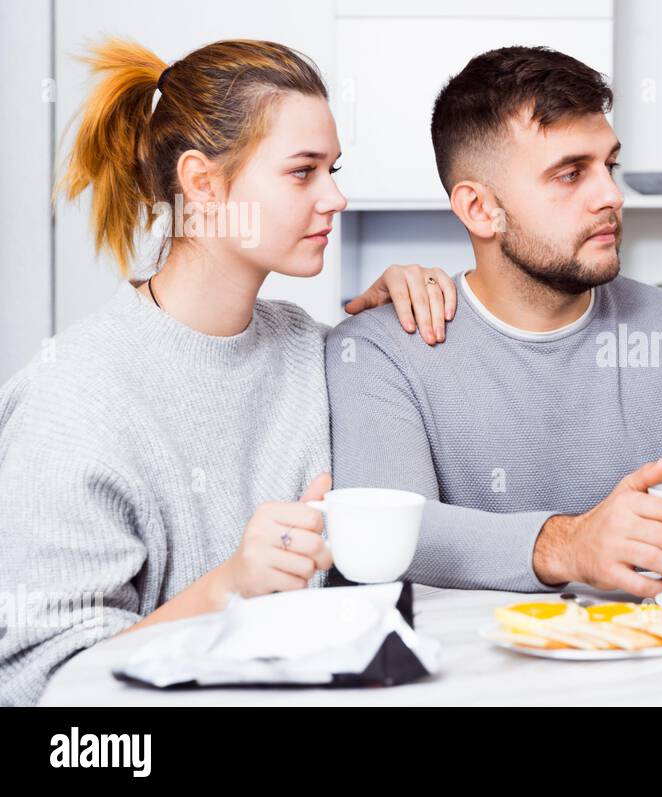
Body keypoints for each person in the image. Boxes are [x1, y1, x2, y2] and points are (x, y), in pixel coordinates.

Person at [0, 38, 458, 706]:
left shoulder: (311, 348)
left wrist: (392, 310)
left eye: (333, 168)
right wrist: (227, 587)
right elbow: (34, 680)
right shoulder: (73, 393)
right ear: (204, 184)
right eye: (304, 172)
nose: (336, 197)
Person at [327, 46, 662, 597]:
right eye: (570, 174)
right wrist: (567, 545)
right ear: (478, 209)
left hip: (653, 667)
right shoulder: (379, 347)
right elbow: (393, 530)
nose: (611, 196)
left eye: (609, 165)